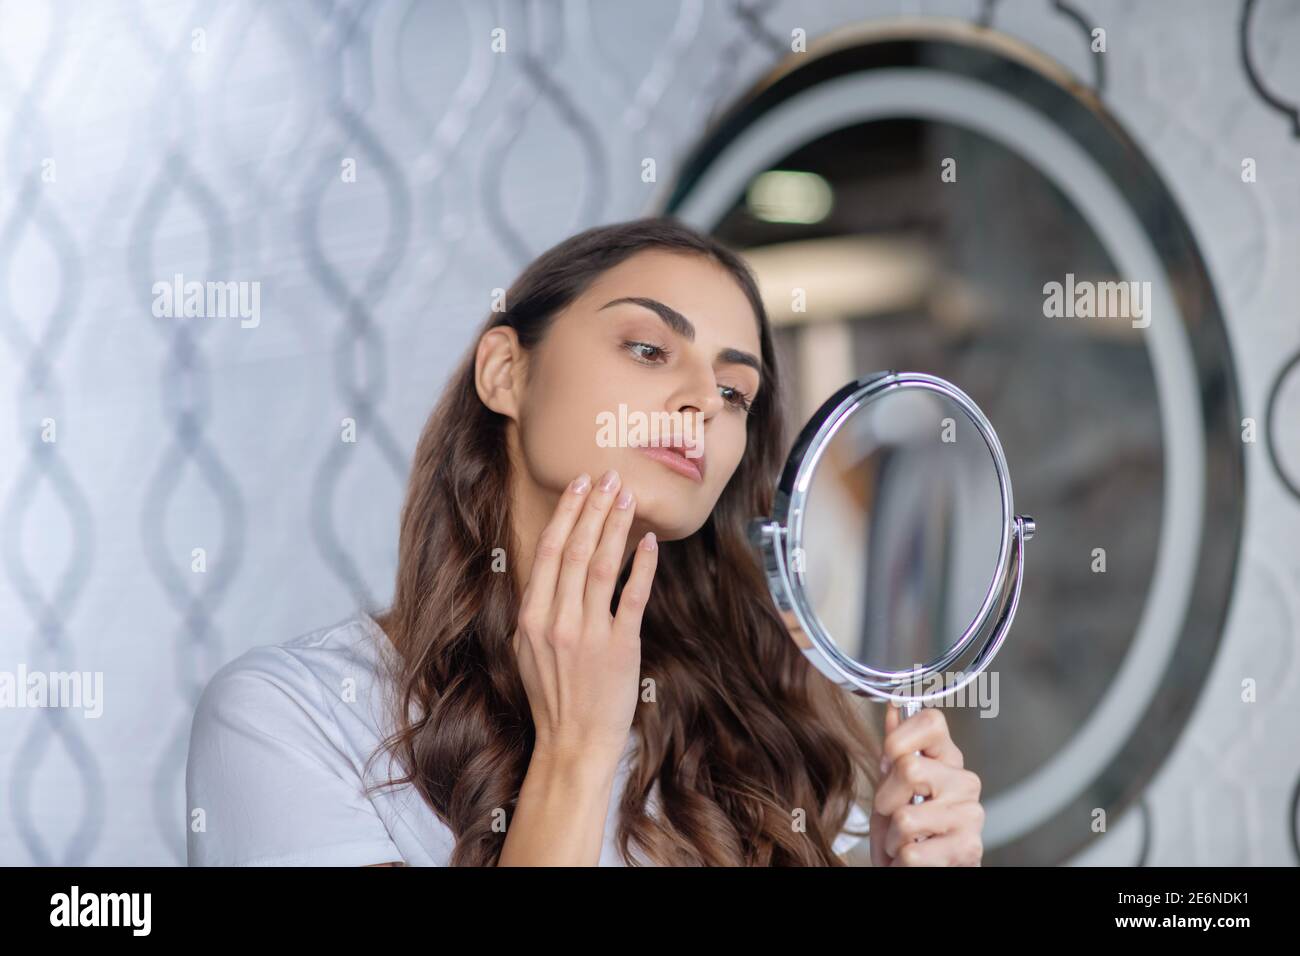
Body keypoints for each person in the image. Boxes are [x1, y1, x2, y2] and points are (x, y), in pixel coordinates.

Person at [185, 217, 985, 866]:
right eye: (648, 349)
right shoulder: (291, 718)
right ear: (505, 373)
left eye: (736, 389)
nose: (704, 399)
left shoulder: (771, 735)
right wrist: (574, 749)